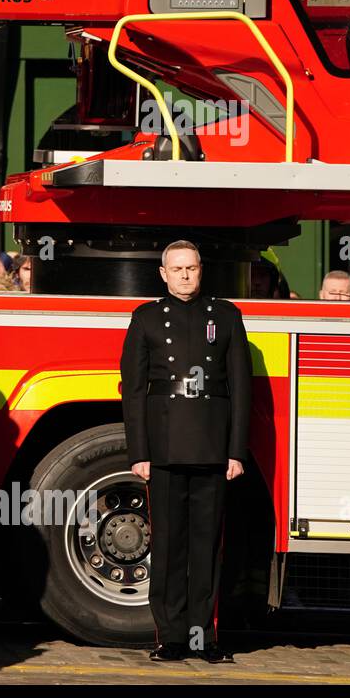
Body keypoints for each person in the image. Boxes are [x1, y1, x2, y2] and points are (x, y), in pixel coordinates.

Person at [120, 240, 251, 664]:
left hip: (212, 447)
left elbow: (241, 389)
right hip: (164, 446)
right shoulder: (145, 318)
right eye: (176, 269)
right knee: (169, 548)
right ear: (163, 273)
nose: (185, 276)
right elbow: (134, 392)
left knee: (206, 546)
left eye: (191, 268)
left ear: (201, 269)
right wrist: (139, 451)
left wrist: (236, 451)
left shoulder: (227, 315)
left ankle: (203, 638)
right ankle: (172, 638)